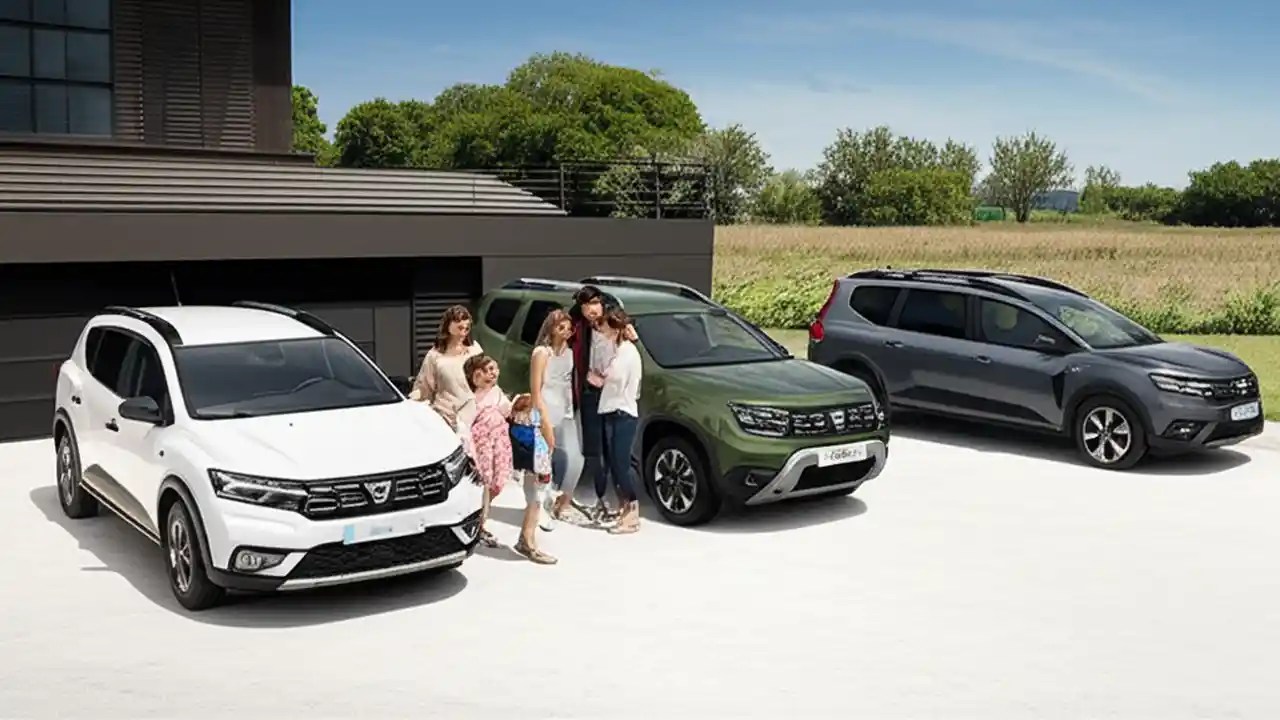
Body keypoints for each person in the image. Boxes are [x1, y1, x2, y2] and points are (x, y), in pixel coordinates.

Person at [566, 286, 637, 523]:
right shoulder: (579, 328)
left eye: (594, 304)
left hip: (613, 395)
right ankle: (600, 499)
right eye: (585, 306)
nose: (590, 311)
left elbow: (632, 354)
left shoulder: (617, 328)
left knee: (614, 452)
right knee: (596, 451)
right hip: (590, 394)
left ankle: (624, 503)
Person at [528, 308, 584, 529]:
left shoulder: (569, 353)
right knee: (543, 462)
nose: (566, 331)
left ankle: (561, 500)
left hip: (565, 409)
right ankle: (540, 508)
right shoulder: (541, 353)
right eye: (561, 327)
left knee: (576, 457)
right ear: (551, 328)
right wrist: (543, 419)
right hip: (544, 410)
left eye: (569, 328)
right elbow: (536, 390)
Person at [454, 353, 512, 551]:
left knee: (498, 481)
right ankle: (481, 522)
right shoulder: (471, 398)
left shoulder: (497, 392)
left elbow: (506, 411)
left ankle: (482, 517)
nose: (491, 374)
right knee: (484, 481)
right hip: (482, 444)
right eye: (485, 371)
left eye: (493, 369)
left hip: (500, 443)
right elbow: (465, 423)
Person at [593, 308, 643, 534]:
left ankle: (632, 512)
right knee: (614, 463)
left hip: (621, 412)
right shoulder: (619, 349)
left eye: (604, 327)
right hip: (612, 410)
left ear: (615, 329)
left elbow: (614, 377)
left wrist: (598, 379)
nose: (601, 331)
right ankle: (624, 509)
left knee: (621, 465)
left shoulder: (627, 352)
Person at [410, 305, 483, 429]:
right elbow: (424, 388)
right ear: (448, 326)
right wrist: (410, 403)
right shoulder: (435, 356)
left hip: (474, 416)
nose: (464, 330)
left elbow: (486, 381)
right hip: (446, 417)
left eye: (467, 327)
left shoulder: (474, 350)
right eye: (459, 325)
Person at [508, 394, 557, 563]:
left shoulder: (519, 401)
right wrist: (549, 452)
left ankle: (527, 539)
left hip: (525, 460)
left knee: (532, 498)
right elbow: (549, 436)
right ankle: (527, 541)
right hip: (538, 459)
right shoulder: (539, 406)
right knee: (536, 500)